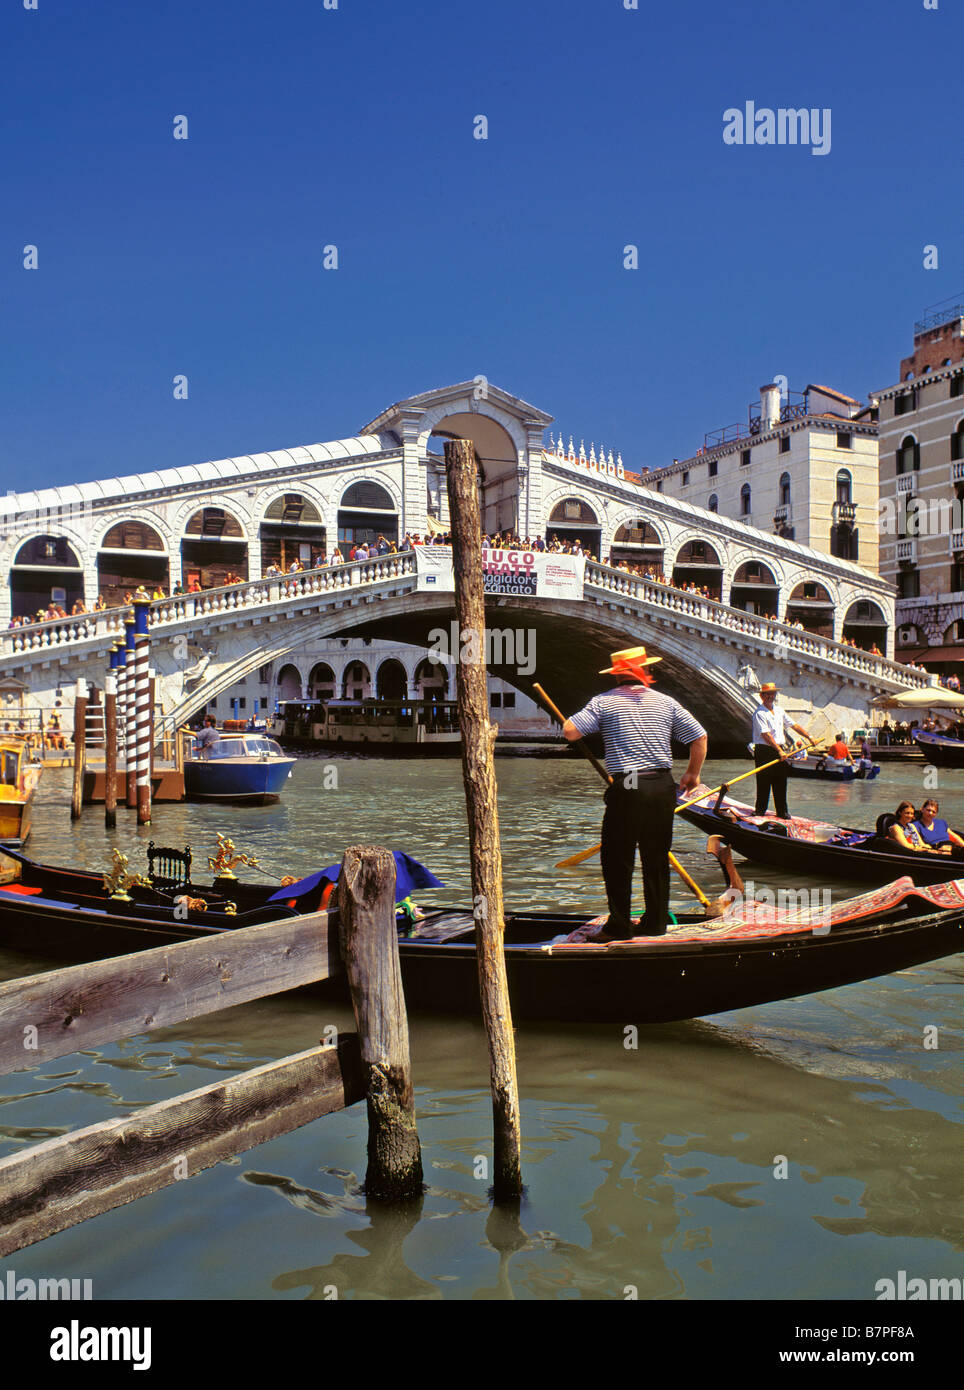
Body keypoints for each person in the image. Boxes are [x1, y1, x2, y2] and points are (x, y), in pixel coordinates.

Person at [562, 646, 707, 941]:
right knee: (656, 856)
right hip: (662, 783)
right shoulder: (666, 702)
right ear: (644, 672)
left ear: (617, 675)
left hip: (628, 781)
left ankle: (618, 925)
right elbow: (699, 736)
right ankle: (655, 924)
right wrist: (692, 774)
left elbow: (570, 732)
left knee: (617, 856)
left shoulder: (603, 702)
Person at [751, 683, 809, 818]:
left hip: (779, 749)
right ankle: (760, 810)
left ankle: (782, 811)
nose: (771, 696)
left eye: (773, 694)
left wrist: (809, 737)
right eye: (768, 694)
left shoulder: (779, 711)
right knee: (764, 781)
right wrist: (779, 751)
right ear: (762, 696)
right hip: (764, 750)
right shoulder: (759, 713)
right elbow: (766, 735)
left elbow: (794, 725)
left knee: (781, 781)